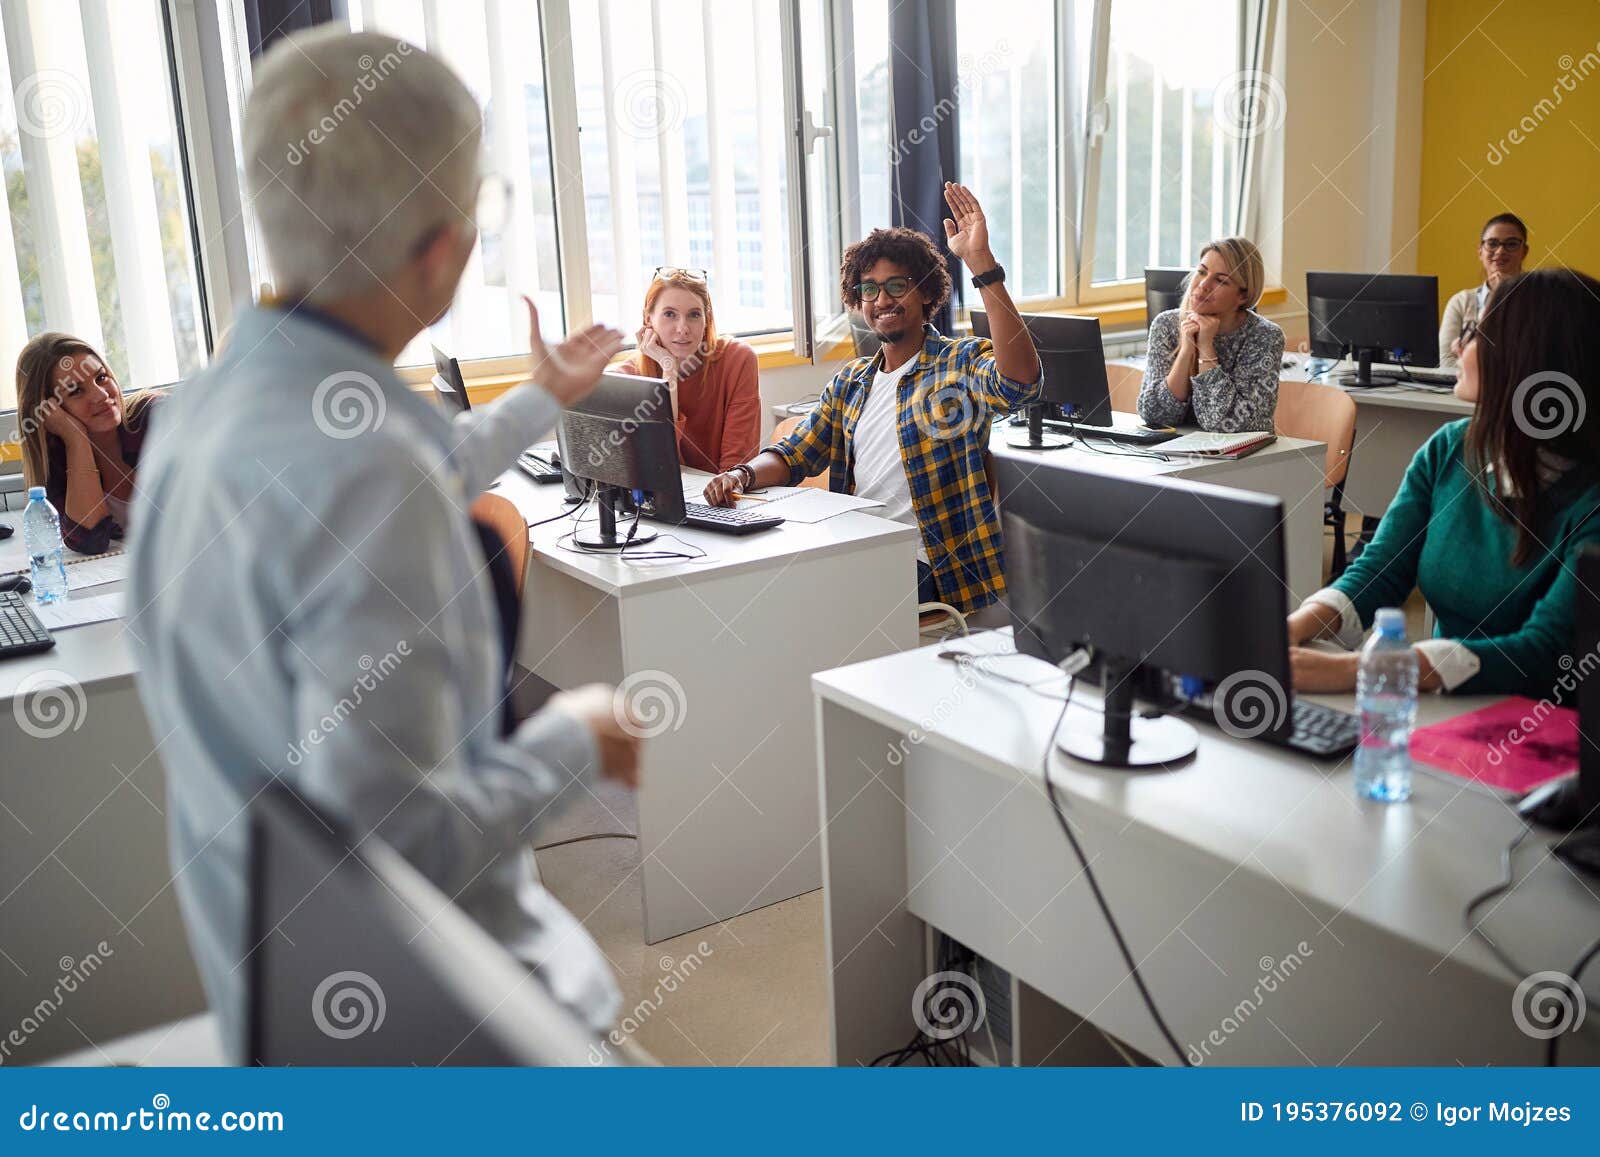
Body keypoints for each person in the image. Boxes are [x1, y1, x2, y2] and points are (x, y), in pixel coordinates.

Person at [126, 29, 637, 1058]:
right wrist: (578, 735)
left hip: (272, 994)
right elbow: (397, 853)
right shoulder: (368, 475)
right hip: (436, 1027)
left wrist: (544, 394)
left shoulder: (208, 406)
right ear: (441, 249)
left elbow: (406, 464)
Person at [702, 183, 1041, 615]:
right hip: (856, 548)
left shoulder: (958, 363)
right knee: (758, 589)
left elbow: (1019, 384)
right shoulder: (852, 382)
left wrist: (981, 266)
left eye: (897, 286)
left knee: (800, 610)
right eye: (869, 289)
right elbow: (794, 455)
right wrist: (742, 475)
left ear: (926, 292)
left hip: (929, 567)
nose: (882, 299)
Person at [1287, 267, 1600, 697]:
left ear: (1521, 356)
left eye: (1474, 333)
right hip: (1443, 708)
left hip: (1541, 733)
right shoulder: (1449, 448)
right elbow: (1381, 568)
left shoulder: (1590, 500)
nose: (1456, 345)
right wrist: (1295, 626)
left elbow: (1543, 653)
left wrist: (1360, 670)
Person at [15, 334, 162, 554]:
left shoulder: (156, 416)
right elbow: (89, 541)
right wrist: (76, 441)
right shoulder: (55, 463)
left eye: (101, 377)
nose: (101, 394)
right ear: (48, 411)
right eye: (75, 391)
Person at [616, 266, 760, 474]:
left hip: (721, 499)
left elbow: (736, 469)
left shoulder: (737, 360)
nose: (682, 328)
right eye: (670, 314)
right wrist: (669, 370)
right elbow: (660, 469)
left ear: (706, 319)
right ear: (648, 318)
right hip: (661, 503)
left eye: (694, 315)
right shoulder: (626, 378)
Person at [1137, 237, 1282, 433]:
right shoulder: (1166, 325)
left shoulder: (1265, 336)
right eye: (1202, 272)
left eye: (1221, 280)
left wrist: (1206, 348)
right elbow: (1154, 415)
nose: (1203, 285)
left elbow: (1225, 424)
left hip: (1244, 460)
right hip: (1177, 455)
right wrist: (1186, 350)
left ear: (1243, 296)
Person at [1439, 212, 1528, 370]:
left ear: (1524, 252)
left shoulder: (1541, 300)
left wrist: (1503, 299)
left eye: (1511, 244)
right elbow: (1446, 362)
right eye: (1492, 243)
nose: (1500, 251)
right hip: (1463, 393)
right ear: (1480, 251)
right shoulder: (1461, 302)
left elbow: (1530, 359)